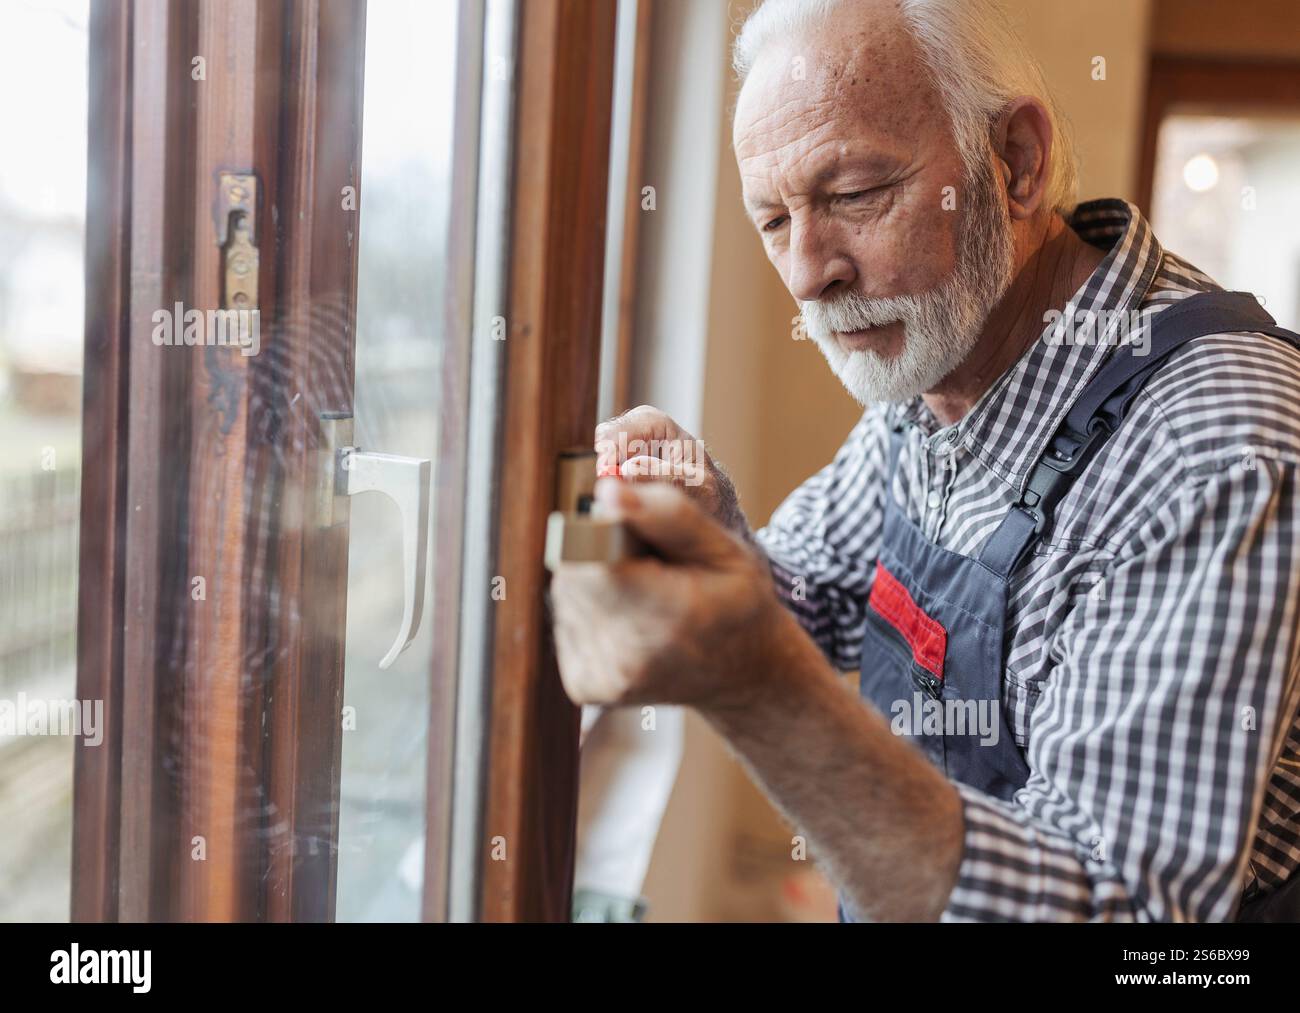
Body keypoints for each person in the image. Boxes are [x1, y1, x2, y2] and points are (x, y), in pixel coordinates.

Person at [549, 0, 1300, 921]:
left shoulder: (1213, 445)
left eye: (855, 196)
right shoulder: (944, 365)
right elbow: (812, 598)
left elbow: (1131, 923)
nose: (807, 273)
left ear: (1014, 162)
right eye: (774, 220)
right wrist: (712, 545)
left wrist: (755, 686)